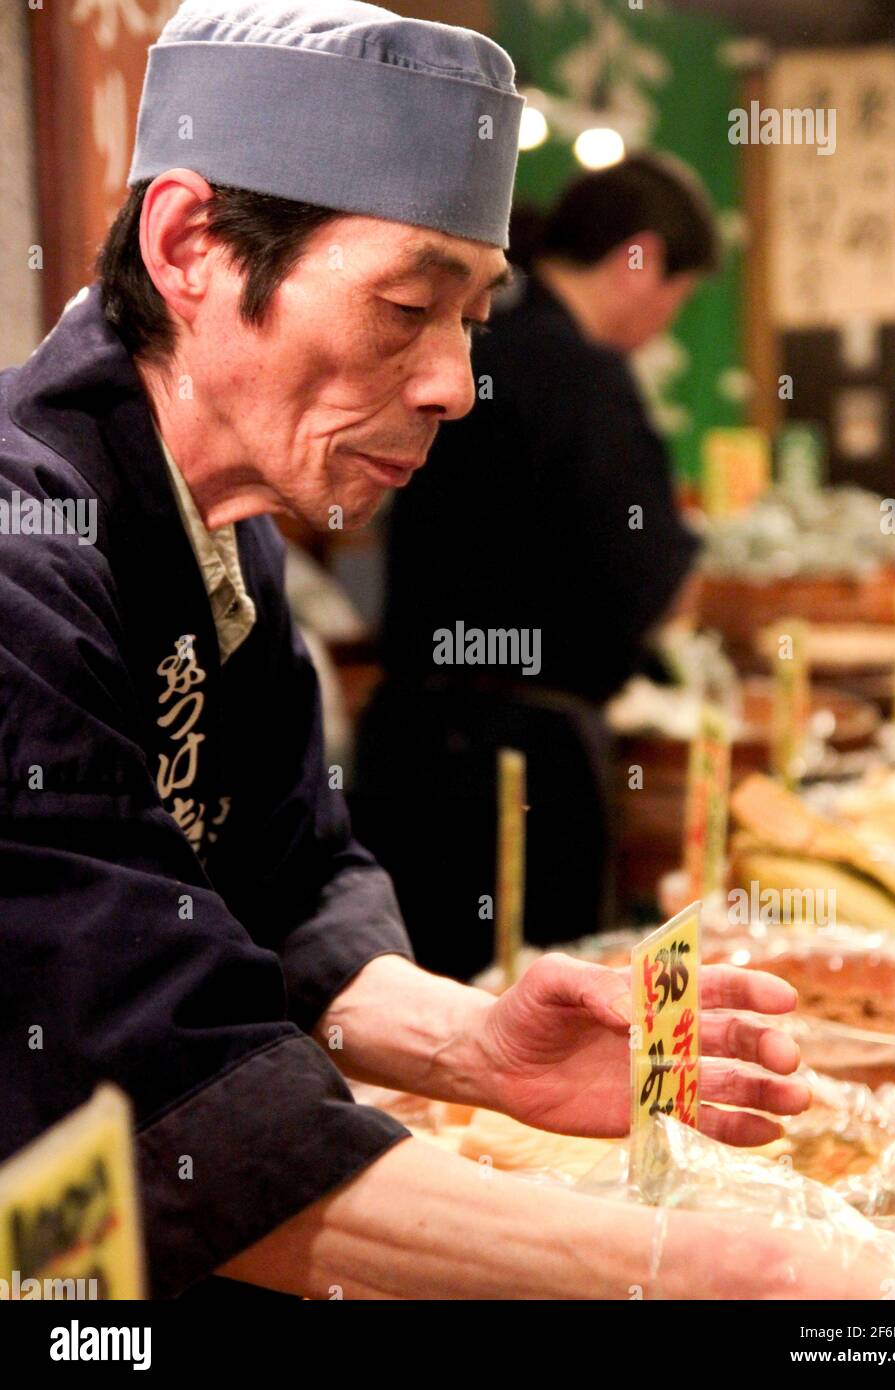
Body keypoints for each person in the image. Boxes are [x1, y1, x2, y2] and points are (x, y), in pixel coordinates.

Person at [1, 0, 851, 1302]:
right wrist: (708, 1270)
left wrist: (469, 1042)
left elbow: (287, 884)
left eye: (472, 316)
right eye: (407, 304)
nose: (454, 381)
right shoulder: (25, 559)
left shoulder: (230, 530)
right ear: (188, 245)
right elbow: (155, 1085)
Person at [355, 155, 715, 981]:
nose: (665, 320)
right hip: (521, 769)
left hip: (405, 743)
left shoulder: (472, 344)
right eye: (677, 295)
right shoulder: (584, 375)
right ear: (642, 259)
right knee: (536, 1023)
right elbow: (652, 585)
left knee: (422, 1018)